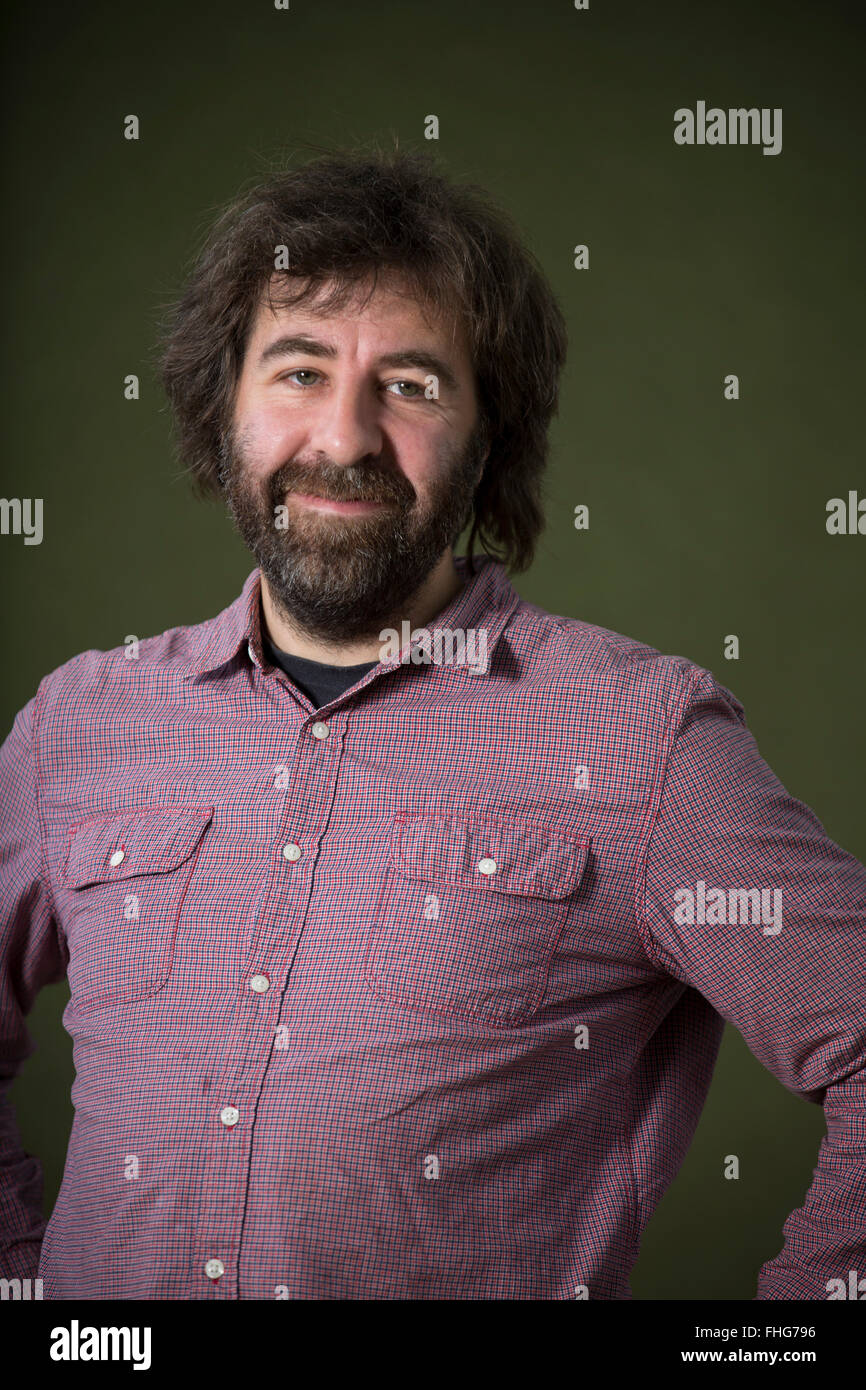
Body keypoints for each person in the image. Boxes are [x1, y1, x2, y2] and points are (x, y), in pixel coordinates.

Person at [1, 146, 863, 1300]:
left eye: (409, 384)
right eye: (298, 371)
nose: (345, 439)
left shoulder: (640, 741)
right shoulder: (78, 726)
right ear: (223, 407)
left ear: (487, 437)